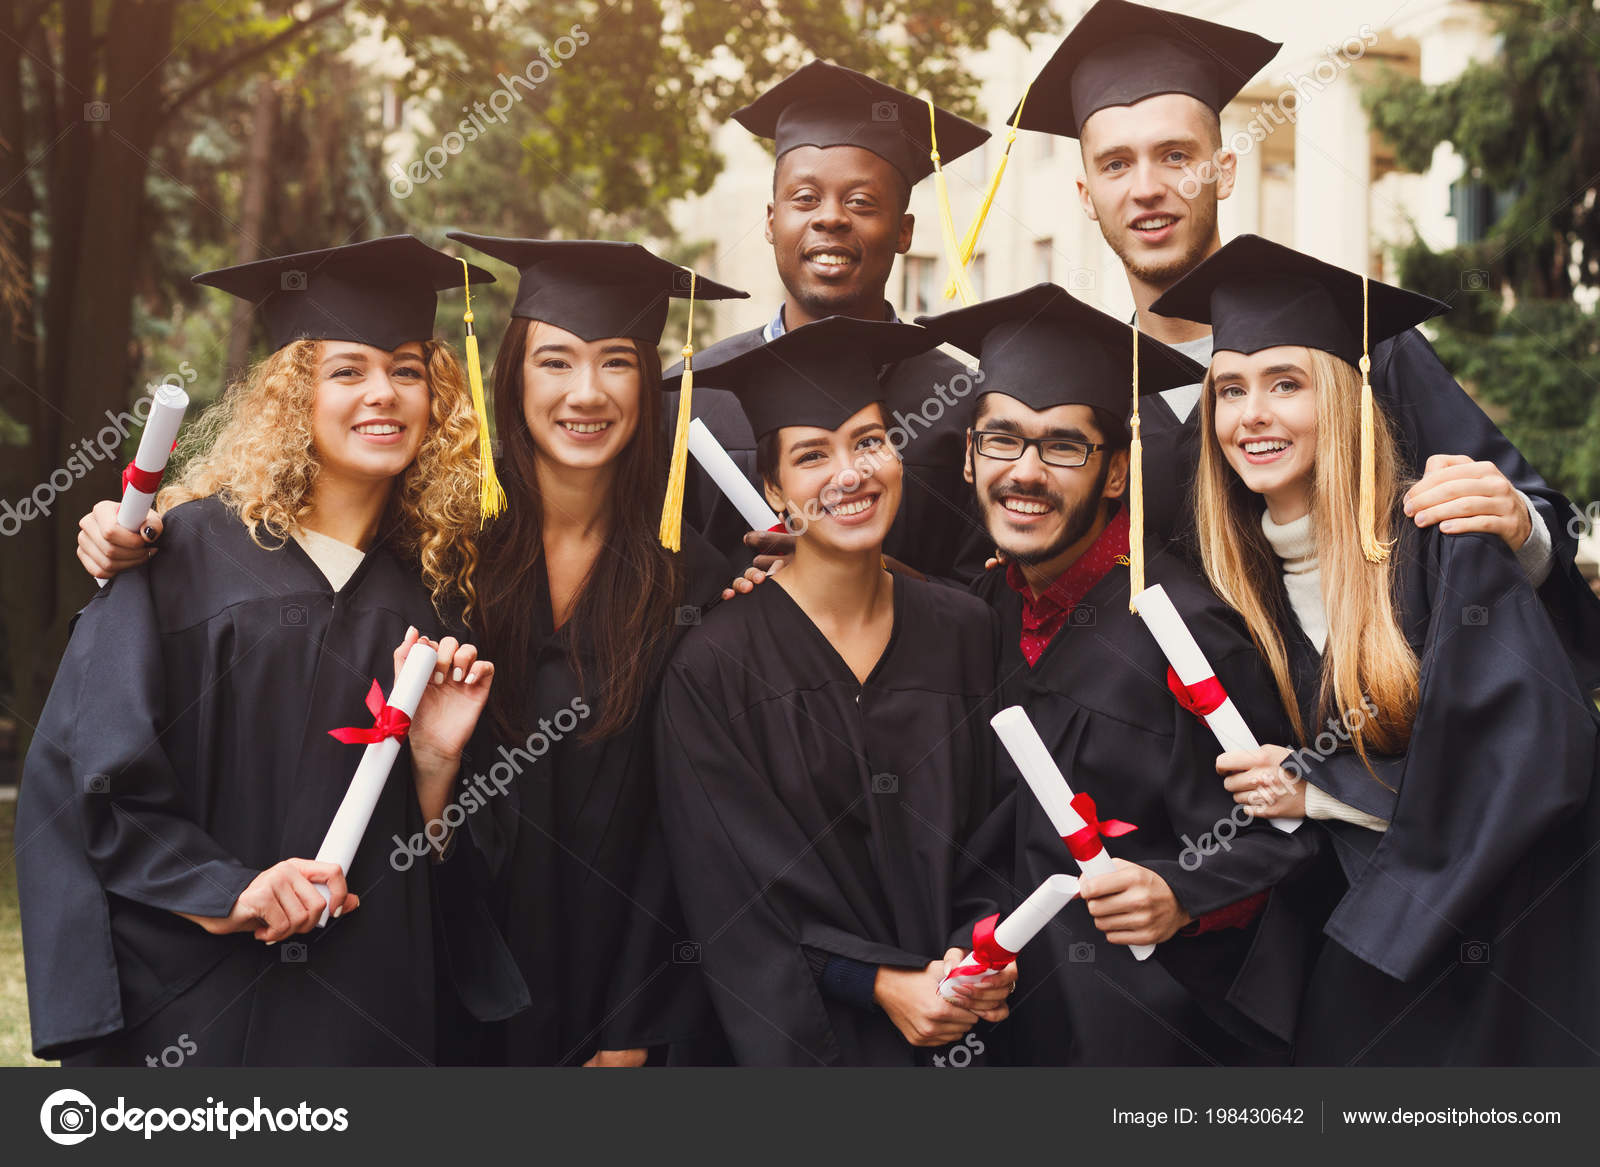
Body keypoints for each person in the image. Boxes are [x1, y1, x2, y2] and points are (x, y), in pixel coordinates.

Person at [18, 236, 528, 1066]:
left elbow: (454, 871)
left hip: (371, 1006)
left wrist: (435, 766)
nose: (384, 394)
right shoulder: (177, 554)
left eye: (407, 370)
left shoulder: (437, 599)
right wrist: (227, 889)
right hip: (204, 999)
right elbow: (86, 774)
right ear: (294, 396)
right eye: (347, 370)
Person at [1007, 0, 1600, 679]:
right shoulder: (1095, 408)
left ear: (1225, 170)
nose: (1147, 188)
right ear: (1085, 192)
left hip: (1401, 755)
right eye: (1116, 165)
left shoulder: (1360, 345)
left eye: (1176, 156)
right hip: (1200, 772)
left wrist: (1517, 523)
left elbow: (1533, 529)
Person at [1154, 234, 1600, 1064]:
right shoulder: (1234, 587)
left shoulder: (1442, 541)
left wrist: (1317, 788)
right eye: (1230, 389)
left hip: (1513, 955)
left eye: (1287, 384)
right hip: (1370, 951)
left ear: (1345, 397)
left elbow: (1532, 751)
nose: (1252, 415)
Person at [916, 283, 1320, 1066]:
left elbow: (1288, 838)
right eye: (1002, 440)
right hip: (997, 1036)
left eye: (1065, 446)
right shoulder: (973, 618)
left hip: (1150, 1048)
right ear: (969, 456)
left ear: (1114, 473)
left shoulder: (1188, 633)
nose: (1025, 472)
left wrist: (1180, 895)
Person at [653, 315, 1016, 1066]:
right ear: (773, 489)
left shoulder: (966, 632)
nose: (850, 474)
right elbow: (732, 893)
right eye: (813, 454)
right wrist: (882, 982)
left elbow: (1002, 831)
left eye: (869, 441)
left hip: (967, 1026)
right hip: (809, 1047)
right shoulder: (714, 665)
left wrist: (973, 955)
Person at [440, 233, 745, 1067]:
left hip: (621, 1001)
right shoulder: (448, 547)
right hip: (447, 982)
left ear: (651, 386)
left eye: (615, 362)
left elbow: (690, 832)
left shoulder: (694, 578)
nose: (586, 392)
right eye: (556, 361)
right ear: (511, 374)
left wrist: (636, 1025)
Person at [668, 60, 994, 583]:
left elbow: (989, 599)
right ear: (772, 221)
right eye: (805, 198)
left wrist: (852, 571)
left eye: (862, 201)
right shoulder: (690, 396)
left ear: (904, 231)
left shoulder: (965, 403)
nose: (831, 217)